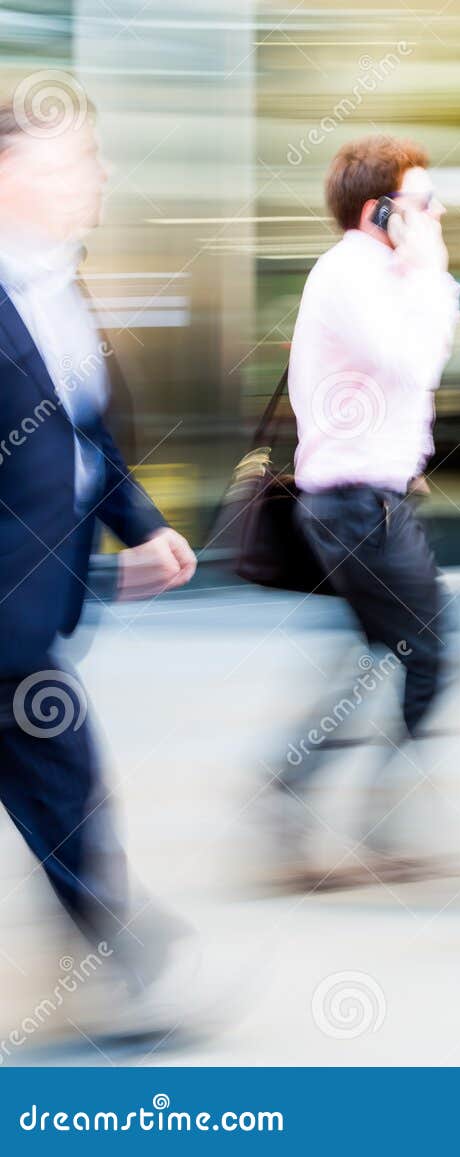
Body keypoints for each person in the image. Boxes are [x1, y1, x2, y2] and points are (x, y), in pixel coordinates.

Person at [0, 81, 203, 1024]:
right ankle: (118, 961)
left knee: (56, 770)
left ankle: (109, 958)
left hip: (29, 606)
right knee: (59, 766)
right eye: (80, 157)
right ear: (12, 170)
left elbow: (83, 434)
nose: (102, 172)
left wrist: (142, 524)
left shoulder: (53, 278)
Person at [262, 134, 460, 890]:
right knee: (432, 655)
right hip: (354, 507)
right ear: (381, 211)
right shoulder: (353, 274)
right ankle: (376, 823)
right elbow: (417, 362)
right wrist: (431, 271)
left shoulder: (377, 273)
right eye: (423, 201)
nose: (438, 212)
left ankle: (294, 799)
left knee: (380, 656)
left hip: (366, 502)